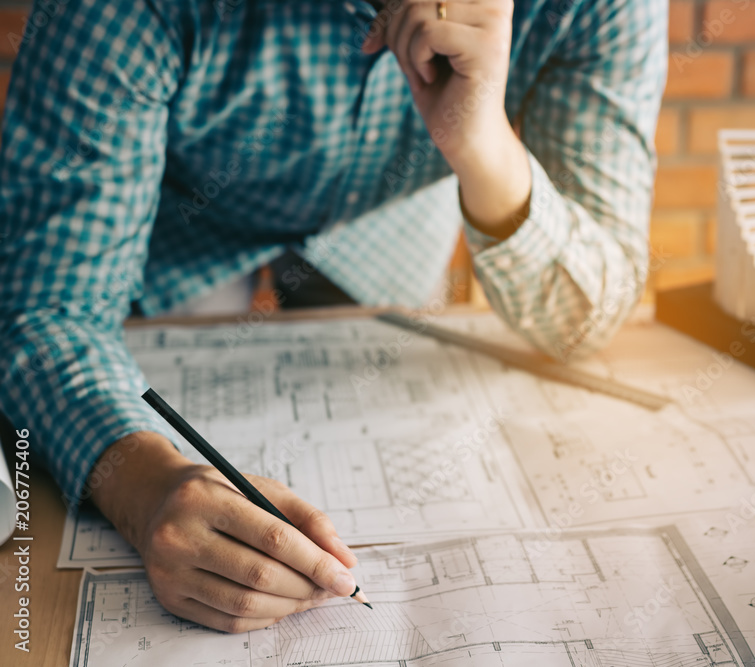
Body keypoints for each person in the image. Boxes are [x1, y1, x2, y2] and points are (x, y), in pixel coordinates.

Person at [0, 0, 667, 633]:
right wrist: (146, 485)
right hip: (183, 224)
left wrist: (483, 145)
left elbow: (587, 318)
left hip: (391, 217)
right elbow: (46, 309)